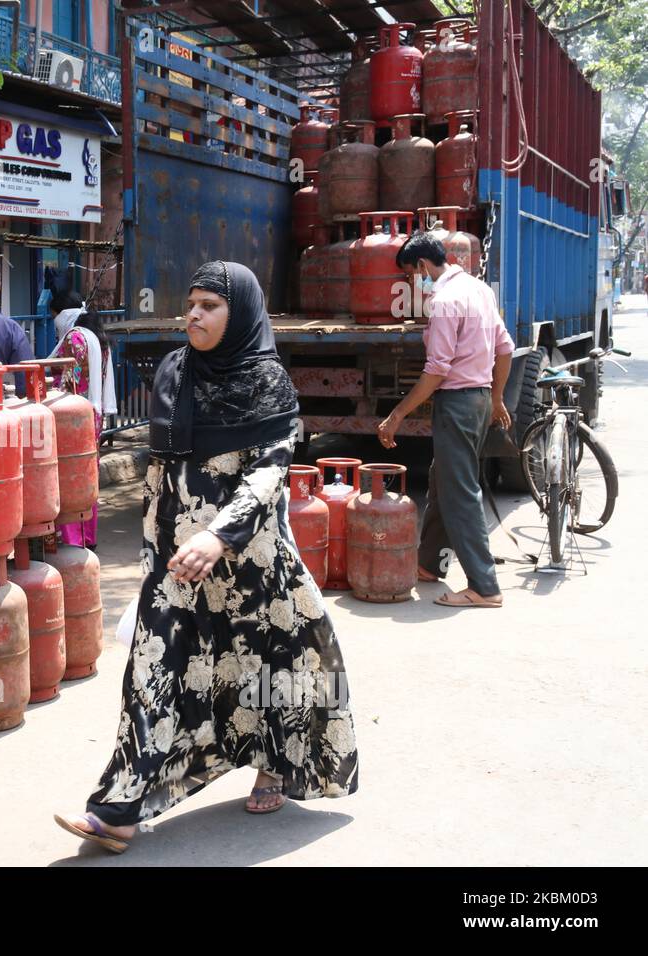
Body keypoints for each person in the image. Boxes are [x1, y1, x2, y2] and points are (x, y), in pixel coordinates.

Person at [53, 261, 358, 854]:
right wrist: (158, 546)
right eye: (191, 303)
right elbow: (162, 468)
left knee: (274, 661)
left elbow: (271, 471)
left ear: (238, 312)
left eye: (210, 306)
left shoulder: (267, 380)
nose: (194, 314)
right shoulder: (174, 370)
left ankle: (274, 760)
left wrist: (220, 536)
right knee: (152, 669)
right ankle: (120, 808)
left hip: (251, 558)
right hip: (178, 560)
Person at [380, 232, 515, 609]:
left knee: (460, 493)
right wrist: (497, 397)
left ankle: (484, 587)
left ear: (423, 266)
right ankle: (429, 564)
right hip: (480, 400)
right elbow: (506, 349)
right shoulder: (480, 290)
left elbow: (437, 369)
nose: (415, 283)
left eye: (413, 274)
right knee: (444, 478)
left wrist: (397, 414)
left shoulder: (443, 302)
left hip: (456, 403)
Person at [47, 291, 117, 549]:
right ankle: (88, 534)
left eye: (54, 318)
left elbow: (69, 379)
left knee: (68, 472)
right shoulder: (97, 336)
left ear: (62, 315)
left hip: (72, 416)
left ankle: (72, 538)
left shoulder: (75, 337)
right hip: (93, 414)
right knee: (88, 471)